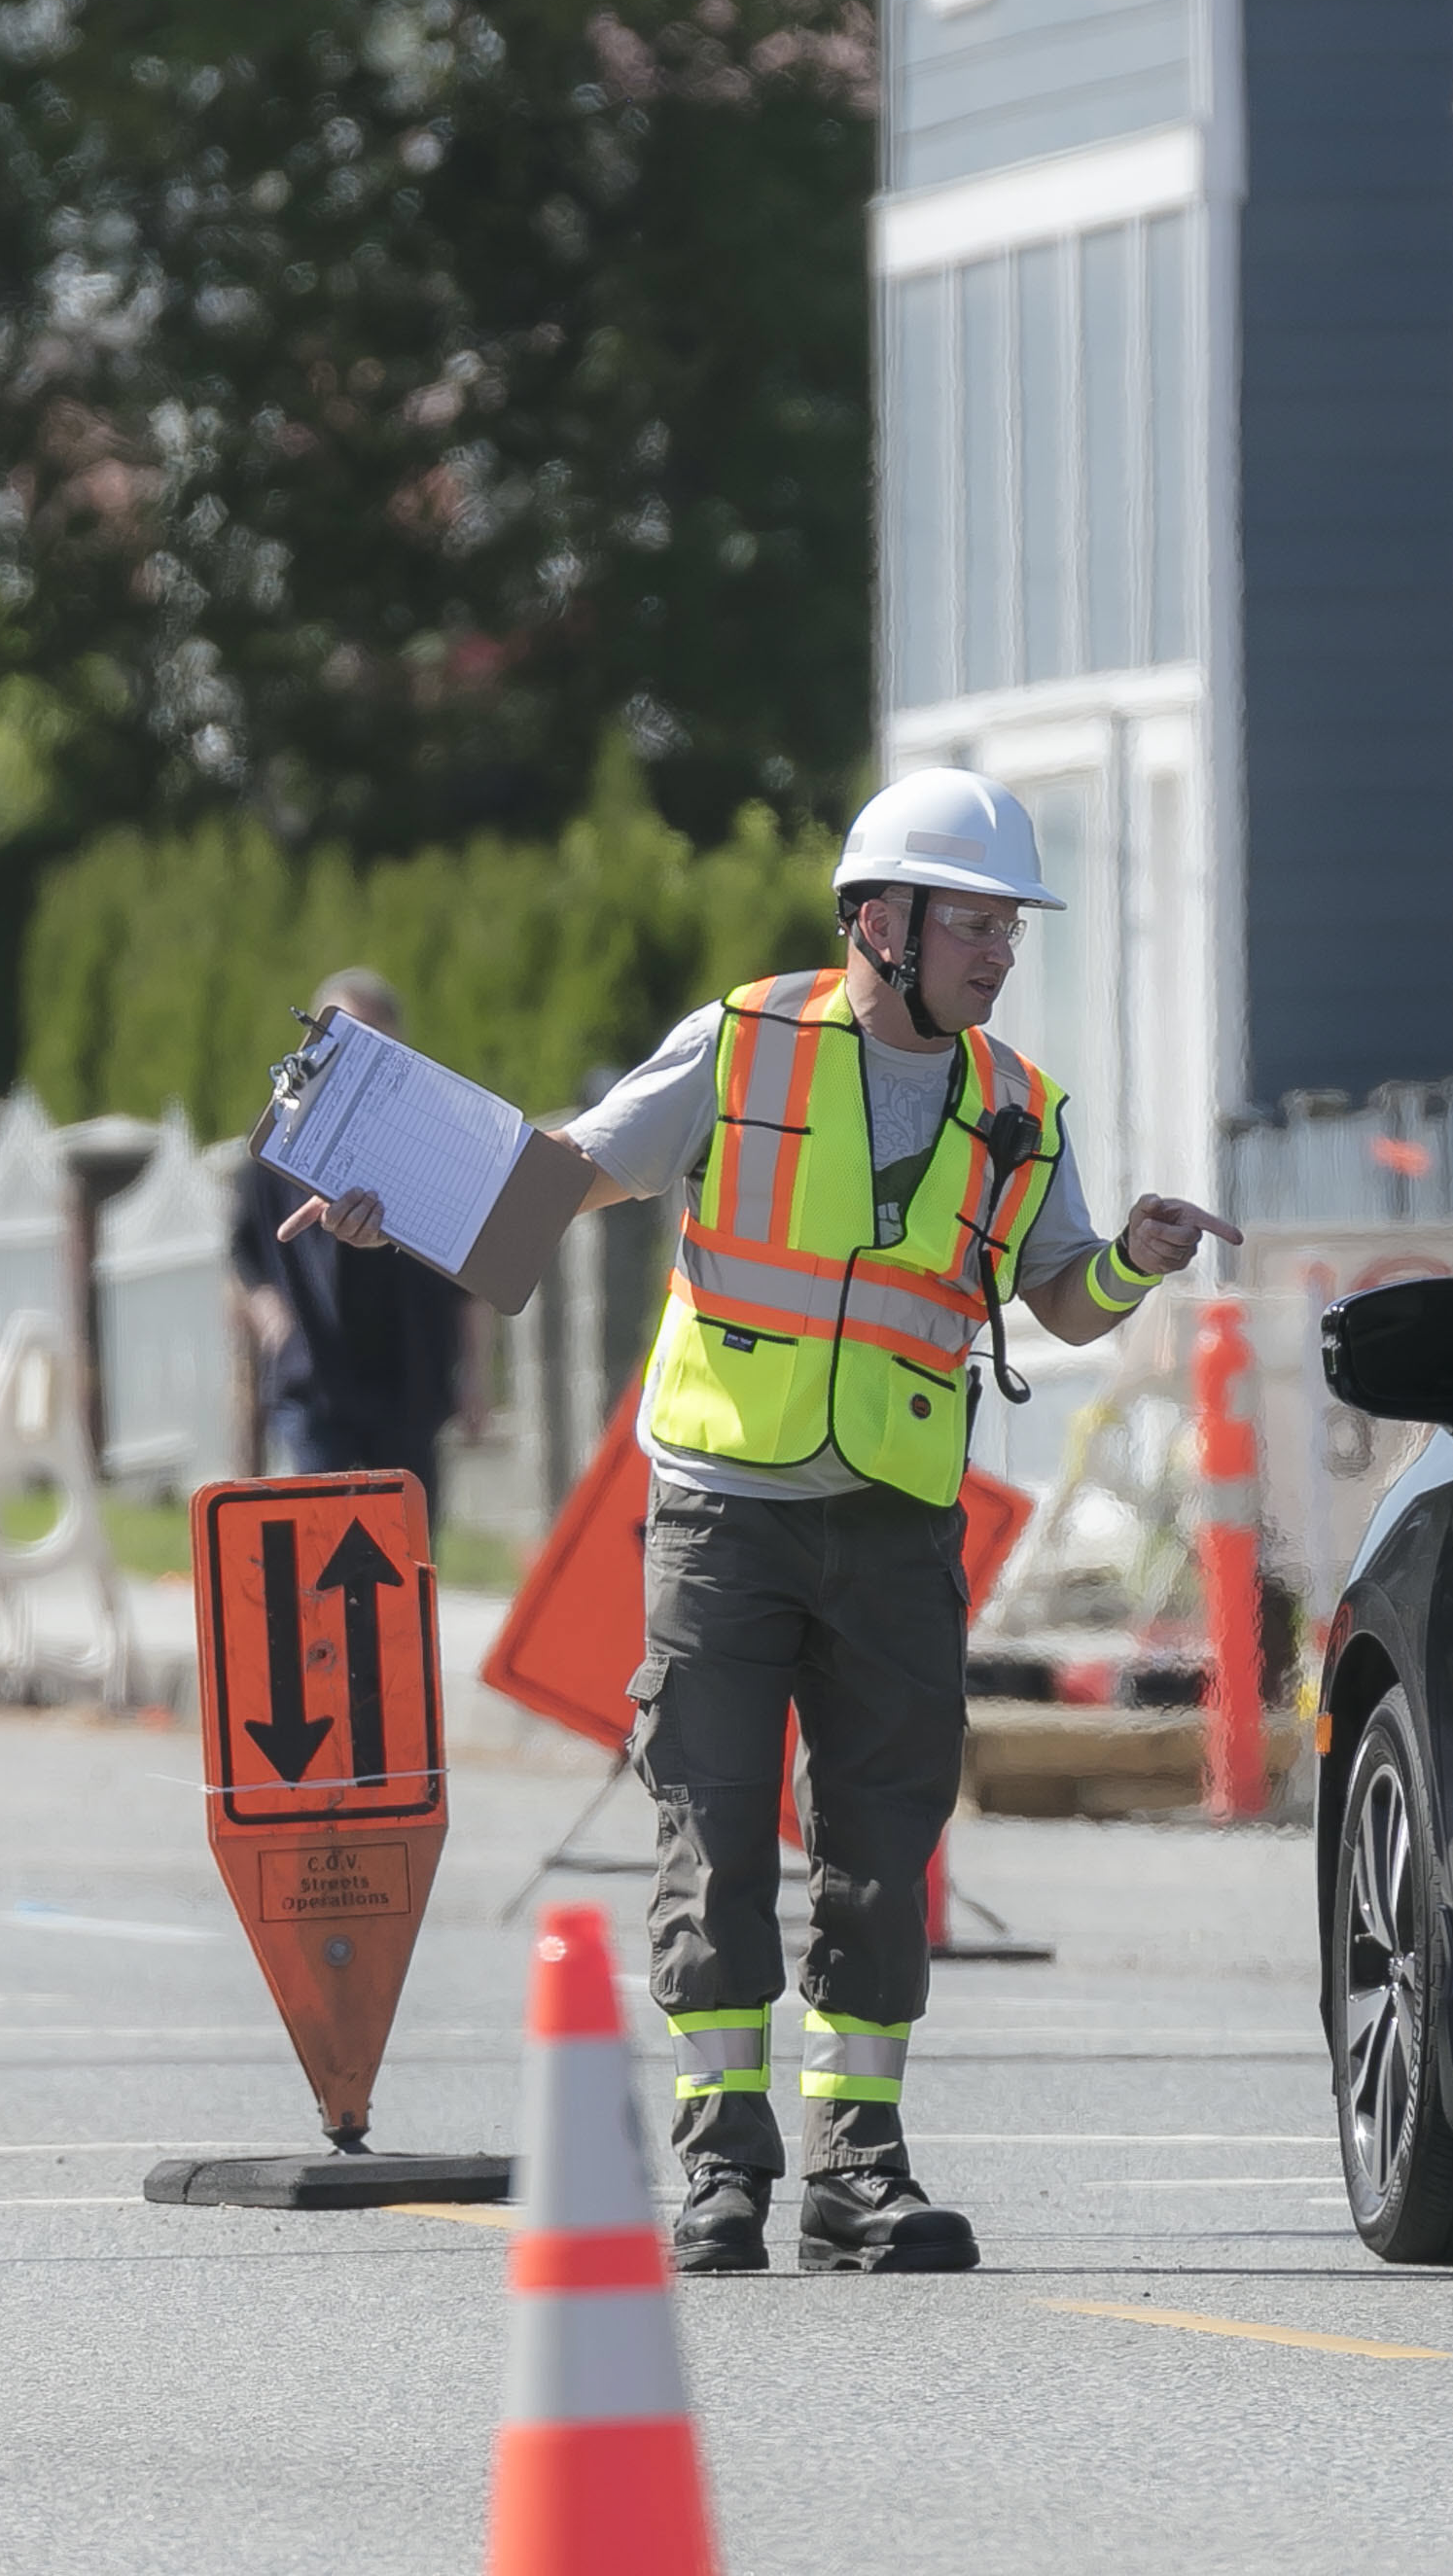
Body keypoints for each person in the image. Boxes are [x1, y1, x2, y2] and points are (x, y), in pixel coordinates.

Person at [286, 769, 1236, 2276]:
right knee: (713, 1836)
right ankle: (721, 2167)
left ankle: (861, 2169)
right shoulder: (741, 1045)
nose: (999, 953)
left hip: (897, 1520)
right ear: (881, 921)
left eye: (1010, 927)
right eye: (974, 923)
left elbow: (1053, 1294)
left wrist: (1130, 1256)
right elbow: (564, 1176)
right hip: (725, 1509)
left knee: (881, 1845)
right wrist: (384, 1190)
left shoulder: (1019, 1106)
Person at [227, 968, 478, 1524]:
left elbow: (464, 1278)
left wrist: (474, 1378)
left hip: (410, 1377)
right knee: (322, 1548)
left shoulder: (433, 1139)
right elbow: (245, 1250)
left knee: (406, 1553)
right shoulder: (280, 1134)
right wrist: (271, 1315)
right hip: (316, 1377)